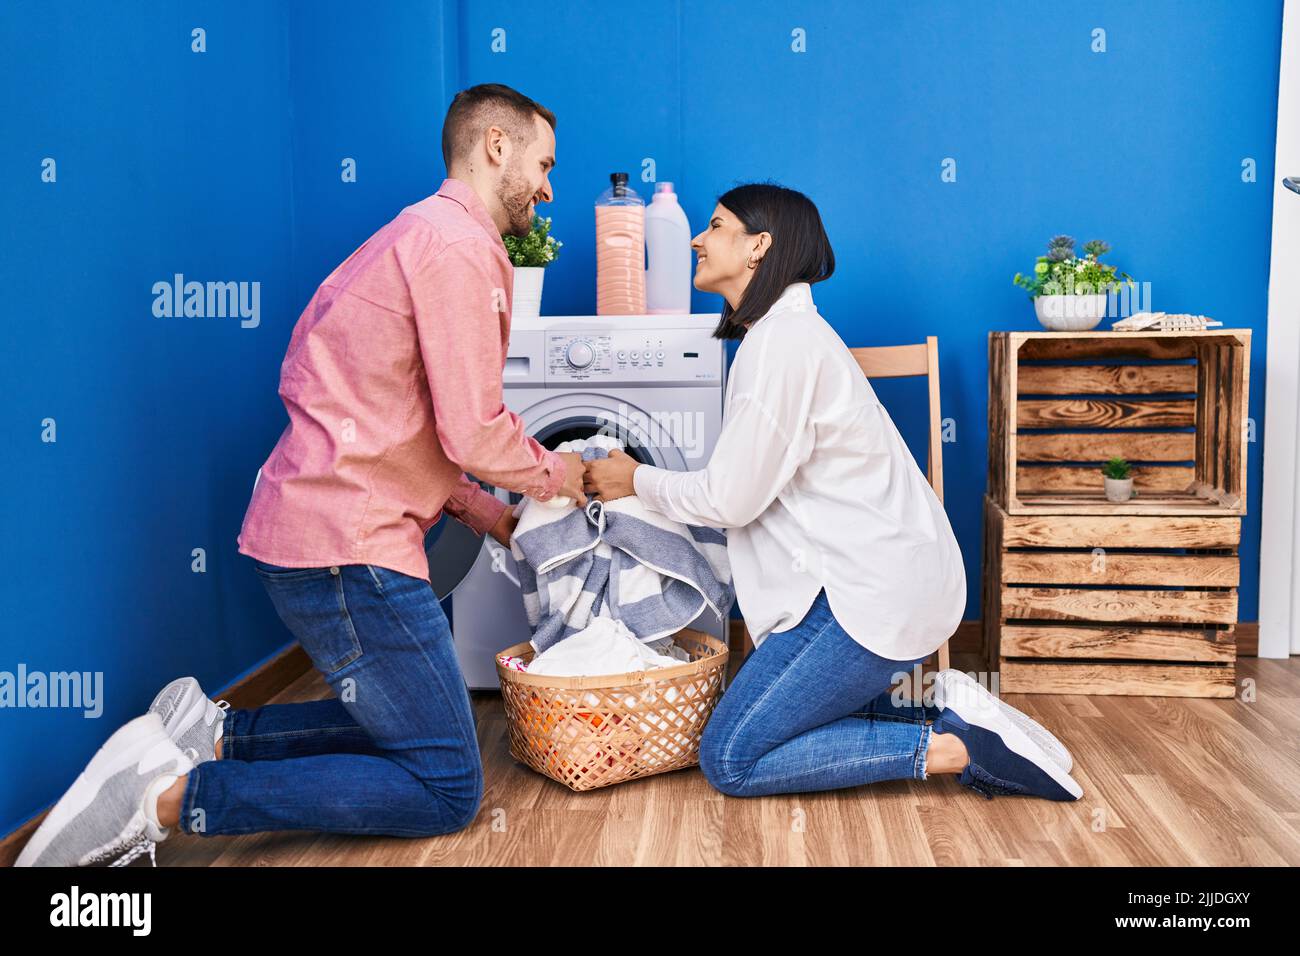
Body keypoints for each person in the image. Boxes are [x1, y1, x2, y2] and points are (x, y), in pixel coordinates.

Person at [17, 83, 588, 867]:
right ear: (497, 144)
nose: (550, 186)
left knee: (413, 722)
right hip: (351, 552)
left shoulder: (409, 236)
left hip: (316, 529)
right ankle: (169, 800)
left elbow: (403, 429)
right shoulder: (463, 249)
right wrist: (568, 476)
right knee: (450, 783)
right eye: (545, 162)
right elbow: (474, 430)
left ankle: (212, 734)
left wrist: (497, 517)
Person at [584, 183, 1082, 803]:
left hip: (865, 597)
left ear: (759, 246)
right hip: (882, 581)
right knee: (778, 728)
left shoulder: (782, 345)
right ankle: (948, 713)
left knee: (729, 758)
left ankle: (955, 748)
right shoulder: (786, 335)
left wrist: (634, 479)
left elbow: (730, 500)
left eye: (714, 226)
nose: (695, 238)